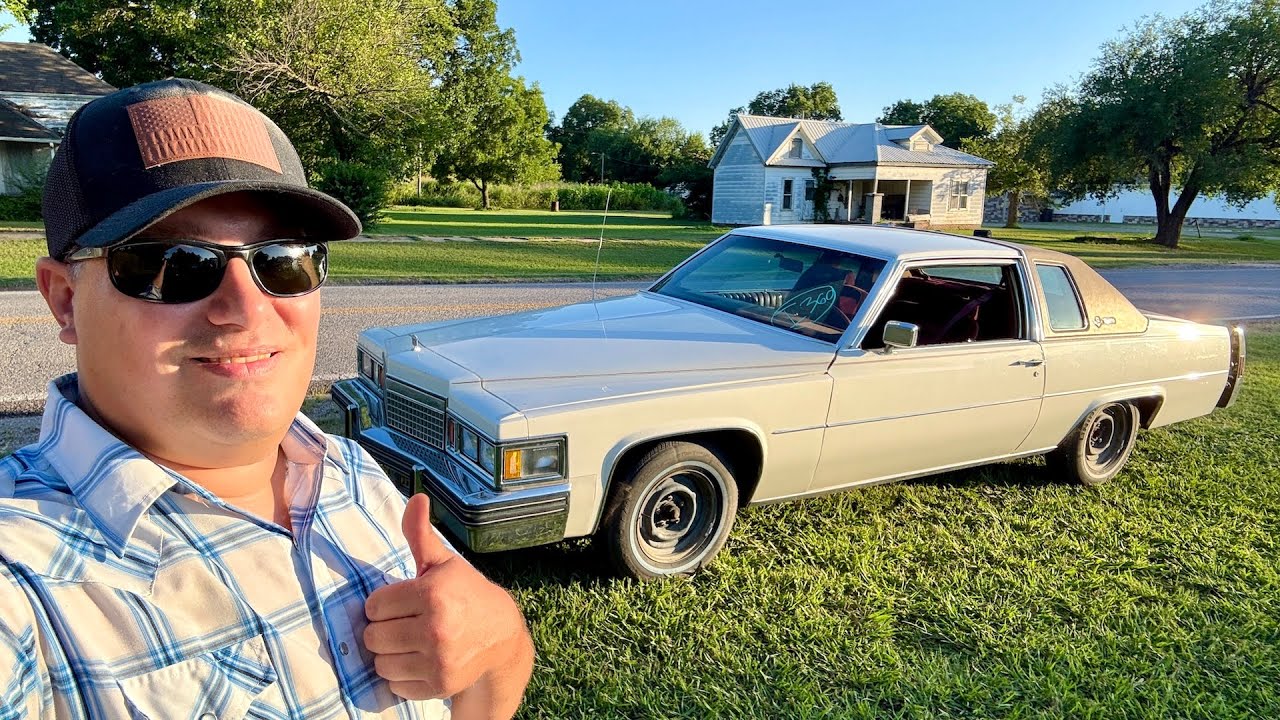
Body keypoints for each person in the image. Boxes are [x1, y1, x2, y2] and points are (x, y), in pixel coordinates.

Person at [0, 78, 534, 718]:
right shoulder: (22, 577)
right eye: (173, 262)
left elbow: (480, 680)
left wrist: (501, 644)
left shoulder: (350, 472)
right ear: (64, 299)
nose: (246, 308)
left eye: (283, 259)